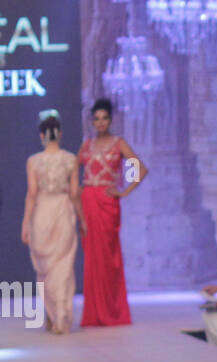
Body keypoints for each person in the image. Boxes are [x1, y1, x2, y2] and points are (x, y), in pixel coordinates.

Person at [78, 98, 146, 327]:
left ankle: (113, 311)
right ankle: (94, 313)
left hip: (107, 204)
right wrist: (76, 192)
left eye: (104, 118)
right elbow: (70, 171)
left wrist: (125, 191)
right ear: (92, 121)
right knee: (91, 259)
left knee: (109, 257)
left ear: (110, 119)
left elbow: (139, 167)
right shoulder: (86, 146)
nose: (100, 122)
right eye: (96, 119)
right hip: (88, 202)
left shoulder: (118, 143)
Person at [21, 111, 83, 335]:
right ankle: (60, 315)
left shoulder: (34, 161)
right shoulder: (70, 159)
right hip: (63, 211)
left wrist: (25, 223)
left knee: (45, 269)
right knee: (63, 266)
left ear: (41, 135)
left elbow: (32, 193)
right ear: (60, 134)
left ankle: (52, 314)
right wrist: (83, 219)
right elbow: (75, 193)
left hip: (42, 213)